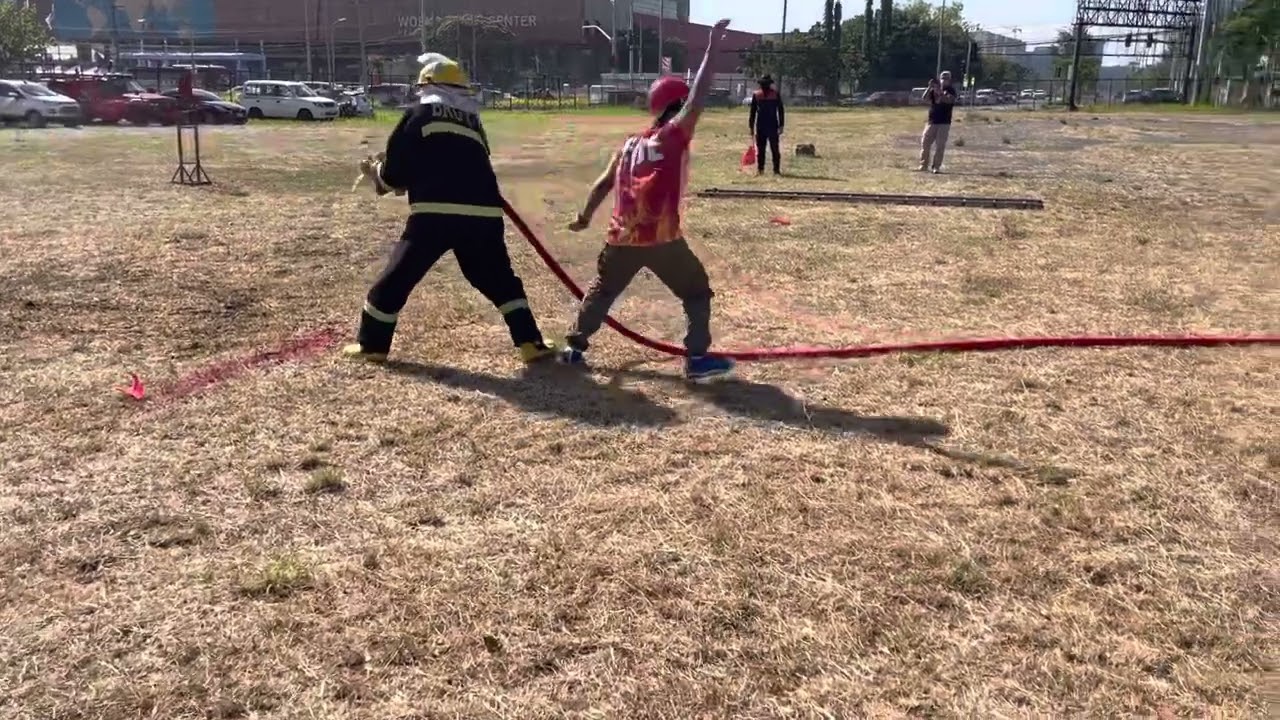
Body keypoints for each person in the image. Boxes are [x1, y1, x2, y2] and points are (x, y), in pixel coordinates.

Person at [342, 53, 557, 364]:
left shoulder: (419, 115)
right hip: (484, 213)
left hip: (435, 213)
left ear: (425, 87)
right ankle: (530, 342)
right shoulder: (473, 122)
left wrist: (377, 173)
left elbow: (393, 175)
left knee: (398, 276)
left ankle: (372, 344)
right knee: (499, 279)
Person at [557, 19, 736, 384]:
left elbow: (603, 183)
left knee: (603, 290)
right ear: (677, 105)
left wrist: (584, 217)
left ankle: (574, 348)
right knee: (697, 291)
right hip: (662, 238)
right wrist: (712, 47)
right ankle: (698, 359)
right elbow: (699, 96)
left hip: (621, 237)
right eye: (683, 105)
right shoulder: (674, 134)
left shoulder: (629, 143)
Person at [919, 71, 957, 173]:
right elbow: (924, 99)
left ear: (949, 80)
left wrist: (940, 93)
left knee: (940, 146)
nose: (944, 80)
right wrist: (929, 88)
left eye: (946, 78)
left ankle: (936, 166)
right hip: (932, 121)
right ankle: (923, 164)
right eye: (942, 78)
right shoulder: (934, 90)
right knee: (925, 143)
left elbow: (949, 100)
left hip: (944, 122)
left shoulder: (951, 90)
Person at [749, 74, 785, 175]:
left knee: (773, 149)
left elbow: (780, 110)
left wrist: (781, 125)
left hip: (770, 125)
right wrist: (751, 127)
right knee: (763, 149)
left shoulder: (774, 94)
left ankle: (775, 170)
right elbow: (753, 112)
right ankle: (762, 170)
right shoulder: (757, 95)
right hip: (766, 125)